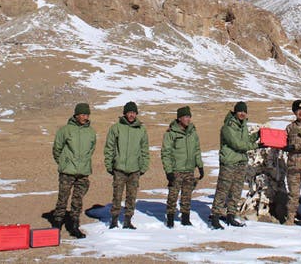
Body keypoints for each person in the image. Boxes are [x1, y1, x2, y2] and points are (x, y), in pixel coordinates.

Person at [210, 101, 260, 230]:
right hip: (229, 162)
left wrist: (258, 136)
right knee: (223, 189)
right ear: (235, 112)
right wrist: (256, 146)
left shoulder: (243, 126)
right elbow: (238, 144)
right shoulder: (228, 127)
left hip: (241, 162)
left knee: (236, 191)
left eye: (244, 111)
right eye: (240, 111)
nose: (242, 114)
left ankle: (230, 215)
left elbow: (246, 141)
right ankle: (215, 215)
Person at [52, 102, 97, 239]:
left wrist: (85, 162)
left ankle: (74, 226)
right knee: (63, 198)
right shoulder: (65, 130)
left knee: (78, 200)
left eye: (87, 114)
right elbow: (57, 149)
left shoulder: (90, 132)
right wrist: (63, 163)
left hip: (83, 172)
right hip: (67, 171)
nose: (85, 117)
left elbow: (91, 149)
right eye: (83, 114)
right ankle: (57, 225)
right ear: (76, 115)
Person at [104, 101, 150, 230]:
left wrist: (144, 166)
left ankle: (128, 220)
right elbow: (109, 147)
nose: (131, 115)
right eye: (129, 112)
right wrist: (109, 165)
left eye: (134, 113)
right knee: (117, 196)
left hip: (135, 169)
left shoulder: (141, 129)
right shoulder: (116, 128)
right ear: (125, 113)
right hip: (119, 168)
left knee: (132, 196)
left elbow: (145, 149)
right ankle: (114, 220)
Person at [161, 106, 204, 228]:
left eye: (189, 116)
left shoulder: (192, 132)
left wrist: (200, 166)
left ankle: (185, 218)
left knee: (187, 195)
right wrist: (168, 171)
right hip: (176, 170)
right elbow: (166, 153)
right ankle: (170, 218)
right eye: (186, 117)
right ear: (179, 118)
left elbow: (196, 150)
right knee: (173, 195)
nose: (188, 119)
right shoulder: (171, 133)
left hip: (189, 169)